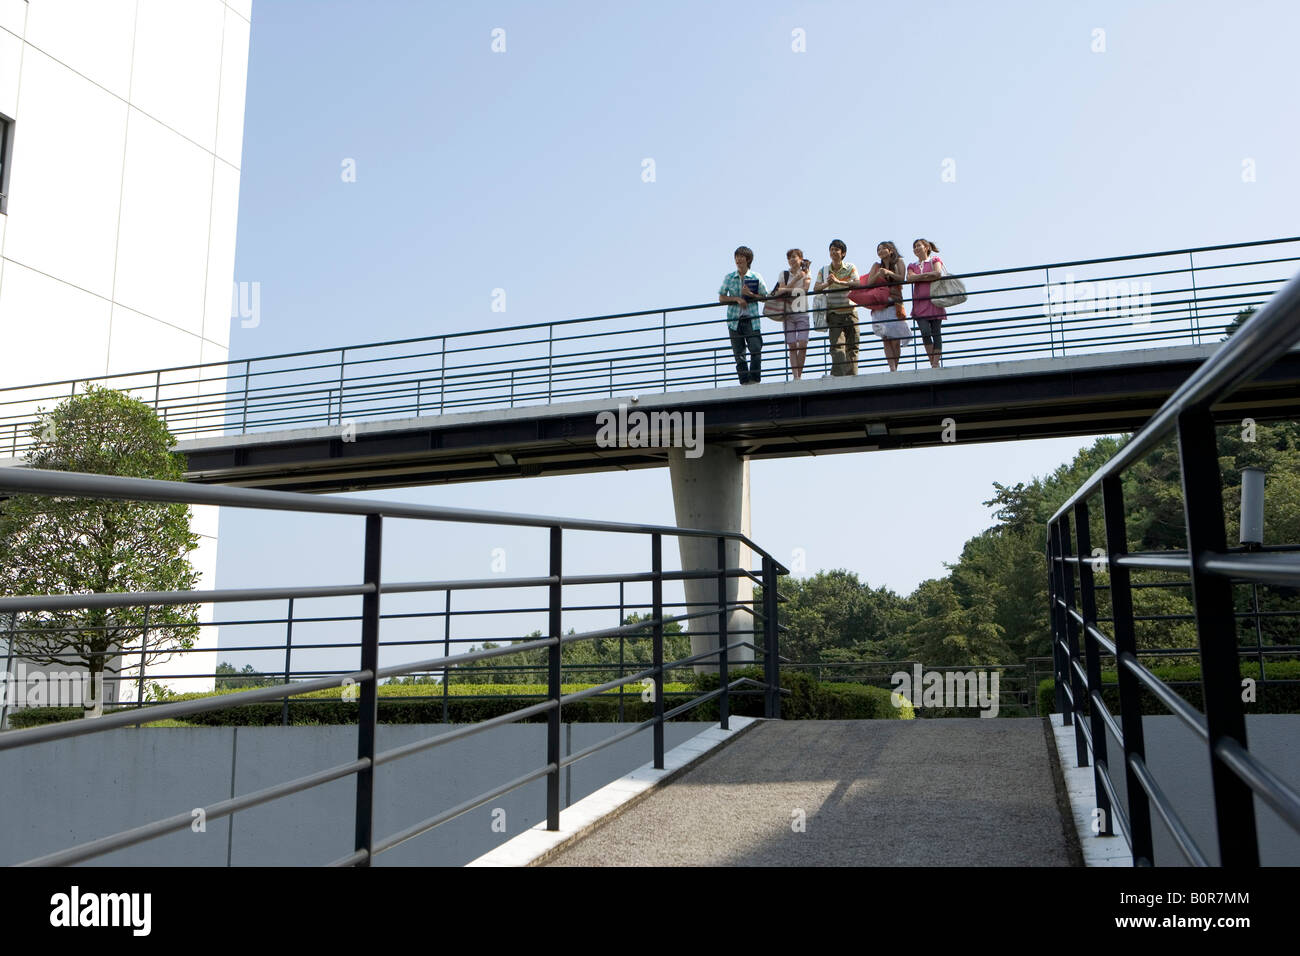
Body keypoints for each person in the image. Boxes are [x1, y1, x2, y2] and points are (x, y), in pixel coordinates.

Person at [718, 245, 768, 384]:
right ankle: (744, 381)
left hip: (751, 319)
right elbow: (721, 297)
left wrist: (750, 295)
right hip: (734, 320)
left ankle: (754, 379)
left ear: (748, 259)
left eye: (741, 256)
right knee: (739, 353)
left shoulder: (756, 276)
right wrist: (736, 299)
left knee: (756, 348)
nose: (738, 259)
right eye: (736, 257)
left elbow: (765, 297)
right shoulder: (729, 277)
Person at [813, 239, 859, 376]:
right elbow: (816, 288)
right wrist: (828, 284)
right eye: (831, 250)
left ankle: (851, 375)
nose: (833, 252)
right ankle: (839, 375)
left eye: (836, 250)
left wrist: (838, 282)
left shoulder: (850, 267)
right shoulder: (824, 270)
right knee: (837, 346)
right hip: (834, 312)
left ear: (843, 253)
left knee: (853, 345)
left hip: (850, 311)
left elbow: (857, 283)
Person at [866, 241, 911, 372]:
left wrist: (889, 273)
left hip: (895, 303)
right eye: (878, 249)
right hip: (880, 304)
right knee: (885, 338)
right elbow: (869, 282)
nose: (880, 251)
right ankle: (892, 368)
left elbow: (902, 278)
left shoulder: (899, 262)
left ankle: (895, 366)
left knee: (896, 339)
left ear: (890, 250)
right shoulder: (876, 265)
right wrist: (878, 274)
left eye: (883, 248)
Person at [772, 248, 812, 379]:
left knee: (803, 343)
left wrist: (787, 289)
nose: (791, 260)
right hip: (788, 312)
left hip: (802, 310)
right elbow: (780, 290)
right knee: (792, 345)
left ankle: (798, 375)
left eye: (794, 257)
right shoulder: (784, 274)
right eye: (789, 258)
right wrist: (795, 281)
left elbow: (805, 289)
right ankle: (796, 377)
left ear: (801, 259)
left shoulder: (807, 272)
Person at [907, 238, 947, 368]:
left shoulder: (935, 260)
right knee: (924, 332)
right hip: (919, 304)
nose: (916, 248)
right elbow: (909, 278)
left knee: (936, 332)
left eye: (919, 246)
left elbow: (937, 273)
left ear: (926, 247)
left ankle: (935, 363)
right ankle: (932, 361)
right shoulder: (912, 265)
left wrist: (919, 277)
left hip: (935, 301)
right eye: (914, 247)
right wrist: (926, 276)